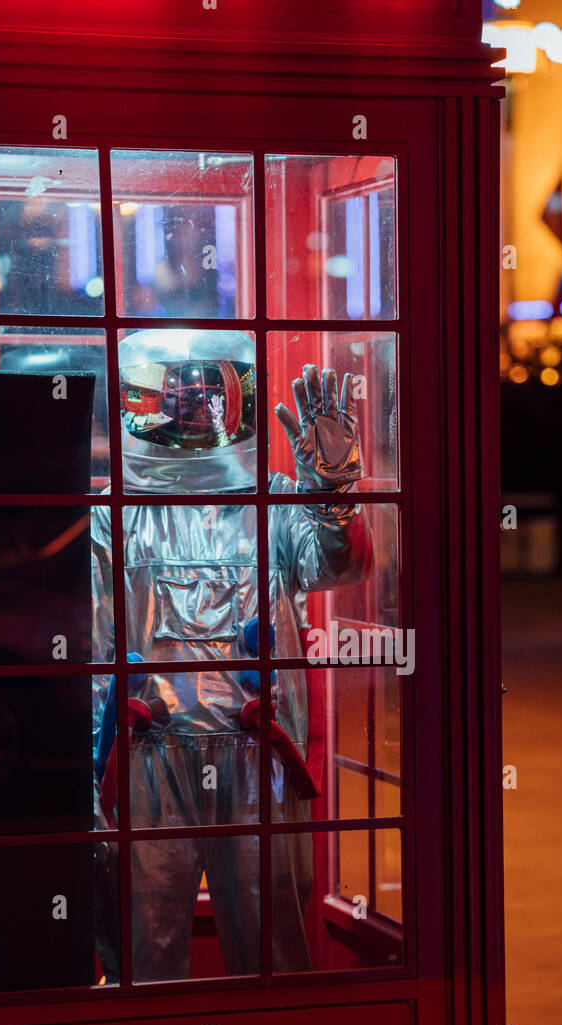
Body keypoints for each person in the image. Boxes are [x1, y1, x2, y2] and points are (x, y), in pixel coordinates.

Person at [91, 329, 372, 981]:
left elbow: (345, 567)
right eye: (180, 393)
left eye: (209, 393)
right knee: (144, 949)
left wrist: (331, 495)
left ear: (237, 396)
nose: (195, 409)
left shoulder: (273, 500)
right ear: (142, 398)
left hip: (258, 759)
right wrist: (82, 765)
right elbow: (83, 640)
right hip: (143, 755)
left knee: (272, 946)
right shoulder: (112, 513)